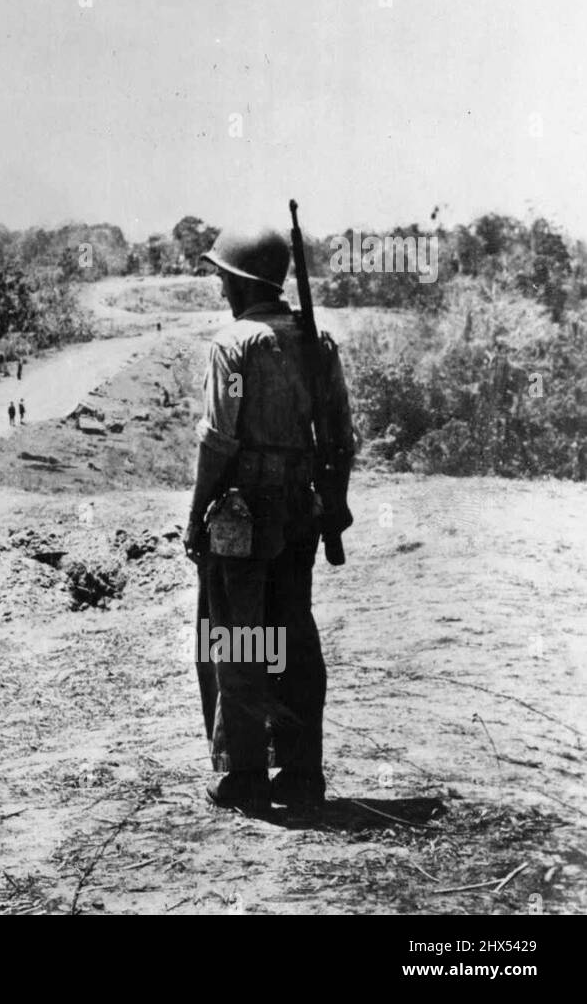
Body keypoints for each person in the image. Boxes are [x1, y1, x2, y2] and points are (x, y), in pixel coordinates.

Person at [184, 228, 355, 818]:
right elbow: (341, 439)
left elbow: (218, 440)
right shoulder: (317, 342)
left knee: (236, 637)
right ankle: (302, 771)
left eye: (223, 277)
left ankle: (246, 775)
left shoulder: (233, 343)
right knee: (292, 634)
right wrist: (334, 502)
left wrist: (195, 516)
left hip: (241, 514)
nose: (220, 286)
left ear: (240, 283)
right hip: (298, 513)